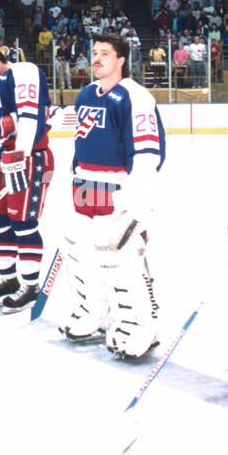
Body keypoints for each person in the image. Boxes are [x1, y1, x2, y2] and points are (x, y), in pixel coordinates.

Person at [61, 34, 165, 359]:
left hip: (117, 193)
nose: (97, 58)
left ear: (121, 60)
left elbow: (148, 153)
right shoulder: (85, 96)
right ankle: (94, 314)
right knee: (81, 257)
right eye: (94, 53)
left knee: (119, 260)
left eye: (105, 53)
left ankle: (139, 327)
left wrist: (139, 206)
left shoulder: (136, 97)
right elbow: (83, 144)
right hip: (84, 190)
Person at [0, 46, 54, 312]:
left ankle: (30, 286)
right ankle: (8, 280)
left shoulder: (24, 71)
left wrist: (20, 154)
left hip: (28, 159)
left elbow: (29, 117)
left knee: (23, 222)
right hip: (2, 162)